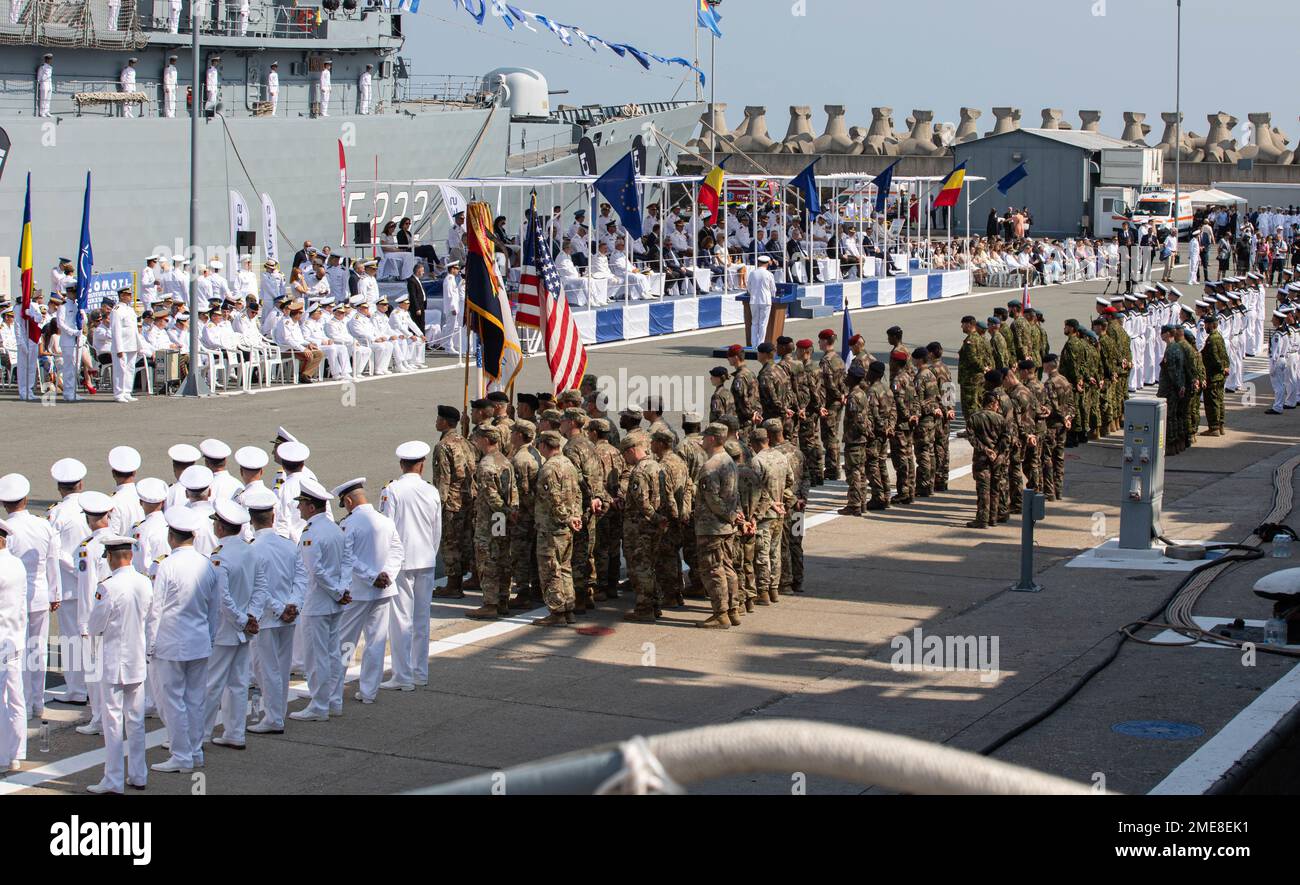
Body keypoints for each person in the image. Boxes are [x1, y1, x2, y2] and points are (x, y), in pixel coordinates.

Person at [149, 506, 220, 774]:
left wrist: (150, 644)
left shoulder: (167, 565)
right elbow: (213, 609)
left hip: (171, 642)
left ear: (171, 535)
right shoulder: (207, 563)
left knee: (173, 701)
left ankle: (181, 755)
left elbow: (157, 609)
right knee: (195, 699)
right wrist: (210, 638)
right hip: (199, 640)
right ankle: (194, 750)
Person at [85, 534, 155, 793]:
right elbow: (149, 615)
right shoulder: (144, 582)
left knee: (113, 721)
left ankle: (113, 779)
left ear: (112, 557)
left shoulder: (108, 587)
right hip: (136, 660)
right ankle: (139, 774)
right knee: (135, 721)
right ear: (131, 555)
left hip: (113, 661)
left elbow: (95, 625)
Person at [330, 478, 403, 707]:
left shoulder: (349, 525)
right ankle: (369, 691)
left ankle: (333, 691)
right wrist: (387, 575)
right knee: (376, 642)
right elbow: (398, 551)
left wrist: (372, 577)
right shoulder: (385, 521)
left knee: (345, 643)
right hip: (383, 592)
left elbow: (348, 558)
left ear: (349, 501)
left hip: (359, 592)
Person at [203, 499, 265, 750]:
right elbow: (261, 587)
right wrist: (253, 616)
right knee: (238, 683)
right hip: (244, 629)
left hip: (226, 630)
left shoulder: (219, 556)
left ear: (220, 527)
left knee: (211, 683)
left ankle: (201, 734)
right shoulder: (250, 550)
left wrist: (242, 620)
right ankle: (235, 733)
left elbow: (222, 598)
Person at [379, 442, 440, 690]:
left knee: (401, 619)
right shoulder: (431, 490)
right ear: (422, 465)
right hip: (426, 558)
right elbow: (437, 530)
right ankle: (419, 672)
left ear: (401, 464)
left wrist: (385, 563)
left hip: (402, 561)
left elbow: (385, 528)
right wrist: (430, 553)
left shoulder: (392, 490)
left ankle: (402, 675)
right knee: (422, 619)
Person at [0, 474, 60, 723]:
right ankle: (37, 702)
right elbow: (53, 559)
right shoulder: (42, 524)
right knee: (38, 651)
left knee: (19, 653)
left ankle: (23, 703)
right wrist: (55, 593)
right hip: (41, 594)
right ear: (26, 499)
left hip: (15, 599)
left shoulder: (7, 530)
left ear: (4, 503)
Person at [289, 478, 350, 722]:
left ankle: (319, 705)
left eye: (301, 504)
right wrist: (343, 589)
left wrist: (336, 591)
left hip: (318, 602)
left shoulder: (311, 533)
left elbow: (315, 570)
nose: (298, 509)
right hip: (335, 602)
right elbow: (347, 562)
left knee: (316, 657)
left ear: (311, 507)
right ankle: (334, 700)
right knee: (333, 654)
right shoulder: (335, 528)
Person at [244, 489, 301, 735]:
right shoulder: (288, 544)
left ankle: (274, 717)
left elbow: (258, 587)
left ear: (251, 519)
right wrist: (293, 604)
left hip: (268, 617)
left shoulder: (252, 548)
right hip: (289, 614)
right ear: (274, 516)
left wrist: (279, 609)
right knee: (282, 667)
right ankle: (278, 713)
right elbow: (301, 577)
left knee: (267, 670)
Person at [531, 430, 582, 627]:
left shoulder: (549, 469)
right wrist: (575, 516)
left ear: (544, 445)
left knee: (550, 569)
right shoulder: (568, 464)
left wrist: (568, 518)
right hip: (567, 527)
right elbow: (577, 494)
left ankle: (556, 612)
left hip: (552, 528)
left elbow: (554, 499)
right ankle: (569, 609)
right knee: (565, 568)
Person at [695, 423, 740, 628]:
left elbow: (712, 500)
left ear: (712, 438)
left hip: (711, 526)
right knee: (728, 567)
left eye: (705, 437)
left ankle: (720, 613)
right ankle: (733, 609)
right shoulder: (729, 461)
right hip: (726, 527)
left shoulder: (710, 466)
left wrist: (729, 515)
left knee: (713, 569)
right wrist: (734, 517)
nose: (703, 440)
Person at [962, 391, 1008, 529]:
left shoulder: (974, 418)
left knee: (983, 489)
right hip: (998, 458)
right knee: (995, 488)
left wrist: (985, 450)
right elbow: (1006, 438)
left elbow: (971, 438)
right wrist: (996, 451)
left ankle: (982, 519)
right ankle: (993, 518)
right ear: (993, 403)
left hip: (981, 458)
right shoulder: (1001, 419)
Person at [746, 255, 776, 346]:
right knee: (763, 323)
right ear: (767, 263)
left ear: (759, 262)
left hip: (754, 300)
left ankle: (754, 344)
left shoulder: (752, 273)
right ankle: (760, 344)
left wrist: (753, 294)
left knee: (754, 323)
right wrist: (773, 296)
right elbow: (773, 289)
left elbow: (749, 288)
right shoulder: (769, 274)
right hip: (766, 300)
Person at [36, 54, 52, 118]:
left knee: (48, 98)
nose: (50, 60)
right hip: (44, 83)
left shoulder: (50, 67)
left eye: (50, 59)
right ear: (46, 59)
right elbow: (39, 76)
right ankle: (42, 112)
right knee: (43, 98)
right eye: (49, 59)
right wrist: (39, 82)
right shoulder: (42, 67)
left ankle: (47, 111)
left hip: (49, 83)